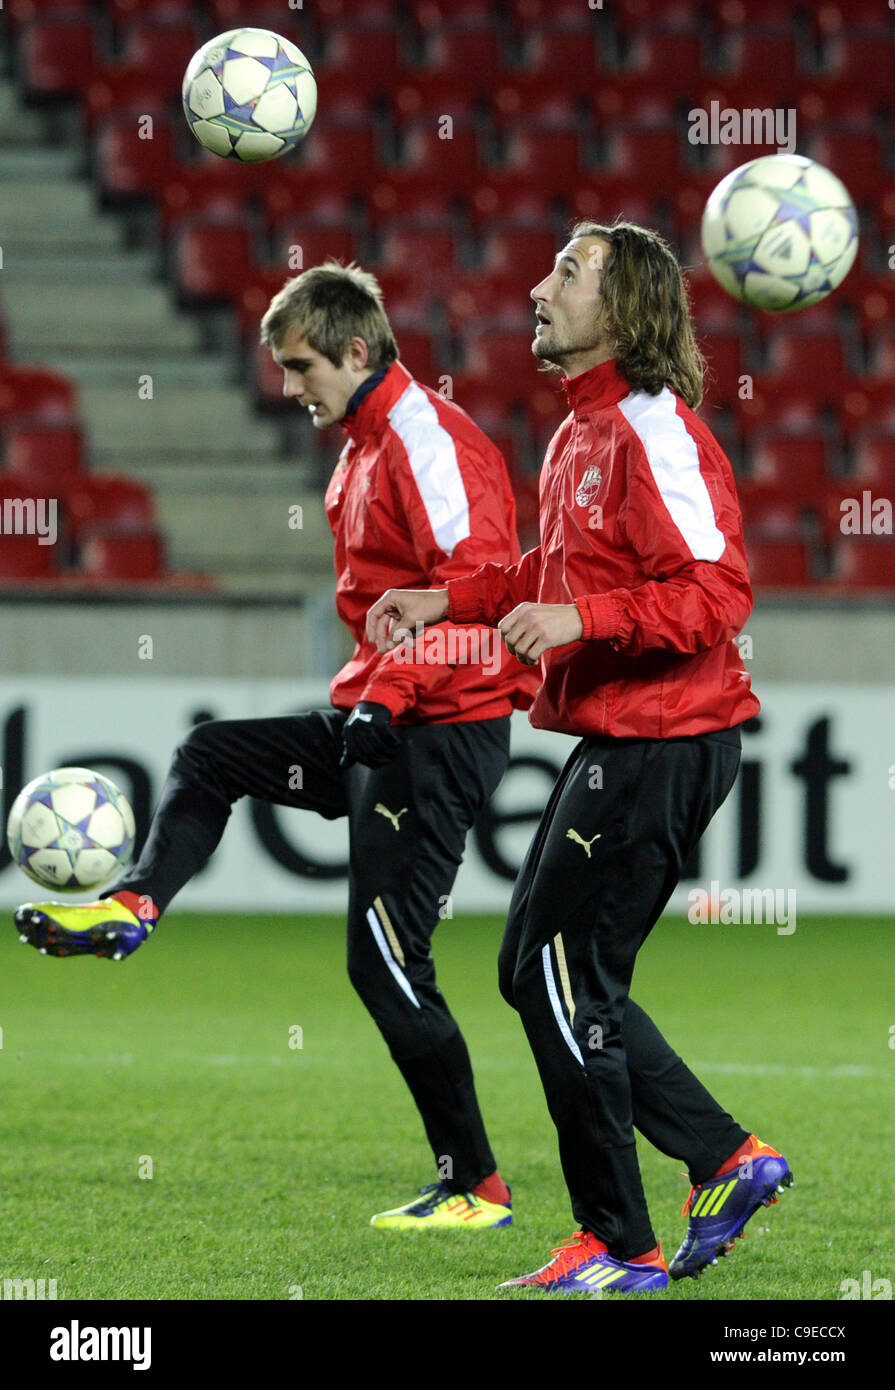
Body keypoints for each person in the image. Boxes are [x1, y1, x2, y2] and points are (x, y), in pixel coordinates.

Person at [15, 260, 537, 1233]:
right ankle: (132, 904)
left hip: (438, 729)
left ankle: (477, 1187)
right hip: (385, 716)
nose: (288, 388)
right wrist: (373, 701)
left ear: (354, 349)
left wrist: (389, 700)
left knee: (384, 962)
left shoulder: (427, 441)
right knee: (213, 754)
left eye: (300, 368)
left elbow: (487, 593)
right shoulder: (359, 451)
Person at [367, 221, 793, 1292]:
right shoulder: (577, 436)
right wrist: (447, 597)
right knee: (539, 972)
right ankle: (726, 1159)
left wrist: (581, 621)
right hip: (624, 740)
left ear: (628, 307)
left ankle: (619, 1243)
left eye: (567, 271)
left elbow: (716, 593)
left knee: (562, 981)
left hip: (665, 740)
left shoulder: (654, 430)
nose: (537, 284)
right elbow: (538, 574)